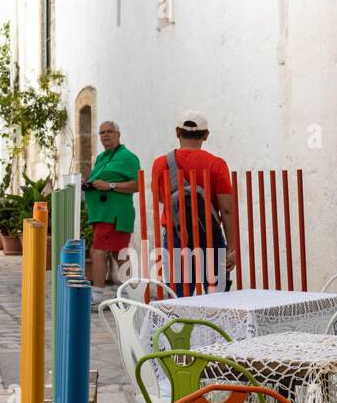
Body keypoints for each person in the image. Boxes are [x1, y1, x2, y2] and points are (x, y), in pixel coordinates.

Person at [150, 111, 238, 293]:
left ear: (177, 132)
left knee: (179, 297)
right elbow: (227, 209)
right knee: (217, 298)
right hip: (210, 235)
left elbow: (161, 199)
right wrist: (232, 247)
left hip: (176, 236)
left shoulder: (161, 163)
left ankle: (183, 322)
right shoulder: (216, 164)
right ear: (206, 135)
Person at [83, 121, 141, 306]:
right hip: (101, 214)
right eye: (102, 133)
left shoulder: (127, 157)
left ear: (118, 134)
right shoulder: (101, 158)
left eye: (109, 132)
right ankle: (130, 295)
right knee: (118, 254)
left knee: (98, 251)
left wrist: (111, 185)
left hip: (114, 215)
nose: (105, 135)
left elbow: (137, 184)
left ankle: (97, 296)